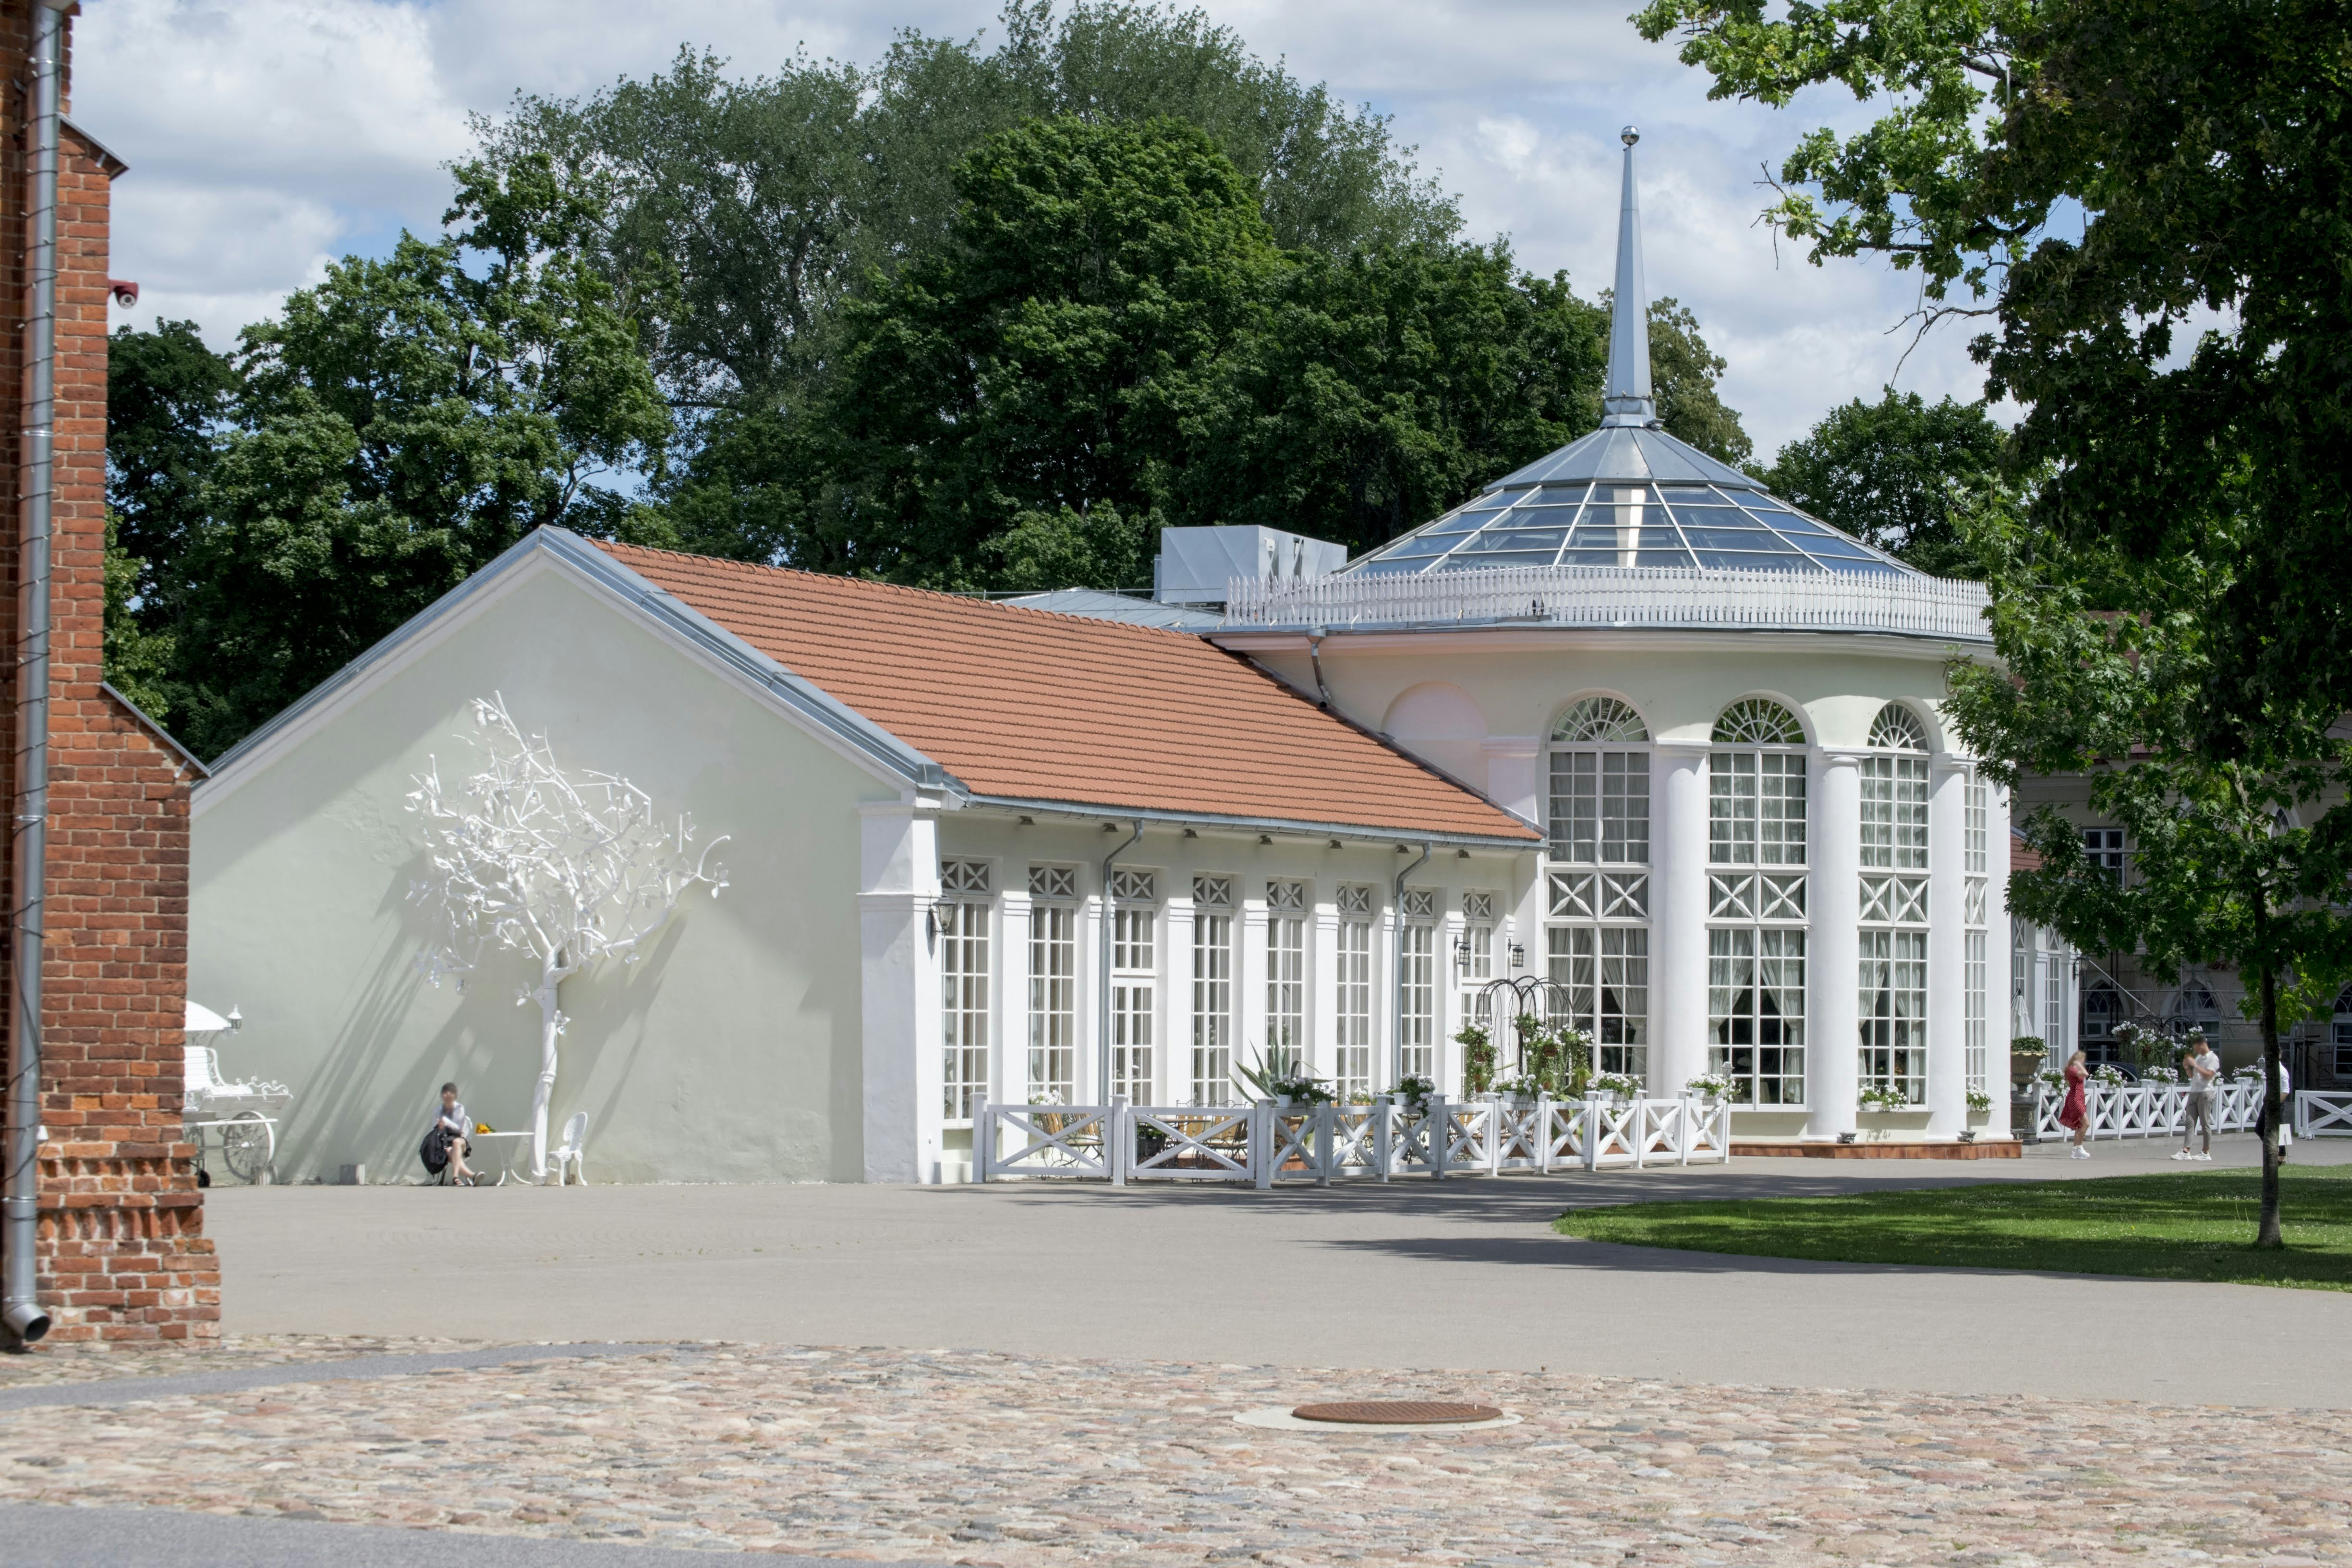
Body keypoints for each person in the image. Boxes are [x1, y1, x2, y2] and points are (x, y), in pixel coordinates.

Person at [2171, 1031, 2219, 1162]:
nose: (2196, 1050)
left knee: (2205, 1123)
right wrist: (2187, 1068)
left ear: (2203, 1045)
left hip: (2205, 1092)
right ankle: (2186, 1150)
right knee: (2189, 1121)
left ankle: (2206, 1152)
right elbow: (2194, 1076)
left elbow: (2209, 1075)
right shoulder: (2199, 1058)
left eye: (2197, 1047)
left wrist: (2195, 1065)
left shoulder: (2212, 1058)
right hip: (2194, 1092)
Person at [422, 1082, 478, 1186]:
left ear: (455, 1096)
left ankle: (455, 1177)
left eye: (451, 1093)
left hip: (460, 1140)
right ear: (442, 1095)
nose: (448, 1095)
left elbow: (460, 1129)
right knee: (449, 1151)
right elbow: (434, 1129)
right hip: (445, 1144)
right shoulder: (438, 1110)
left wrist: (446, 1121)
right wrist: (439, 1125)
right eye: (445, 1093)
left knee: (457, 1142)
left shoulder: (459, 1108)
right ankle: (472, 1176)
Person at [2059, 1050, 2091, 1158]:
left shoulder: (2074, 1068)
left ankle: (2076, 1150)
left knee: (2080, 1125)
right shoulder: (2072, 1069)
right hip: (2075, 1098)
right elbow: (2086, 1074)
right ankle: (2079, 1148)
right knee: (2086, 1123)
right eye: (2082, 1059)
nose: (2083, 1062)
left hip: (2080, 1098)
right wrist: (2078, 1064)